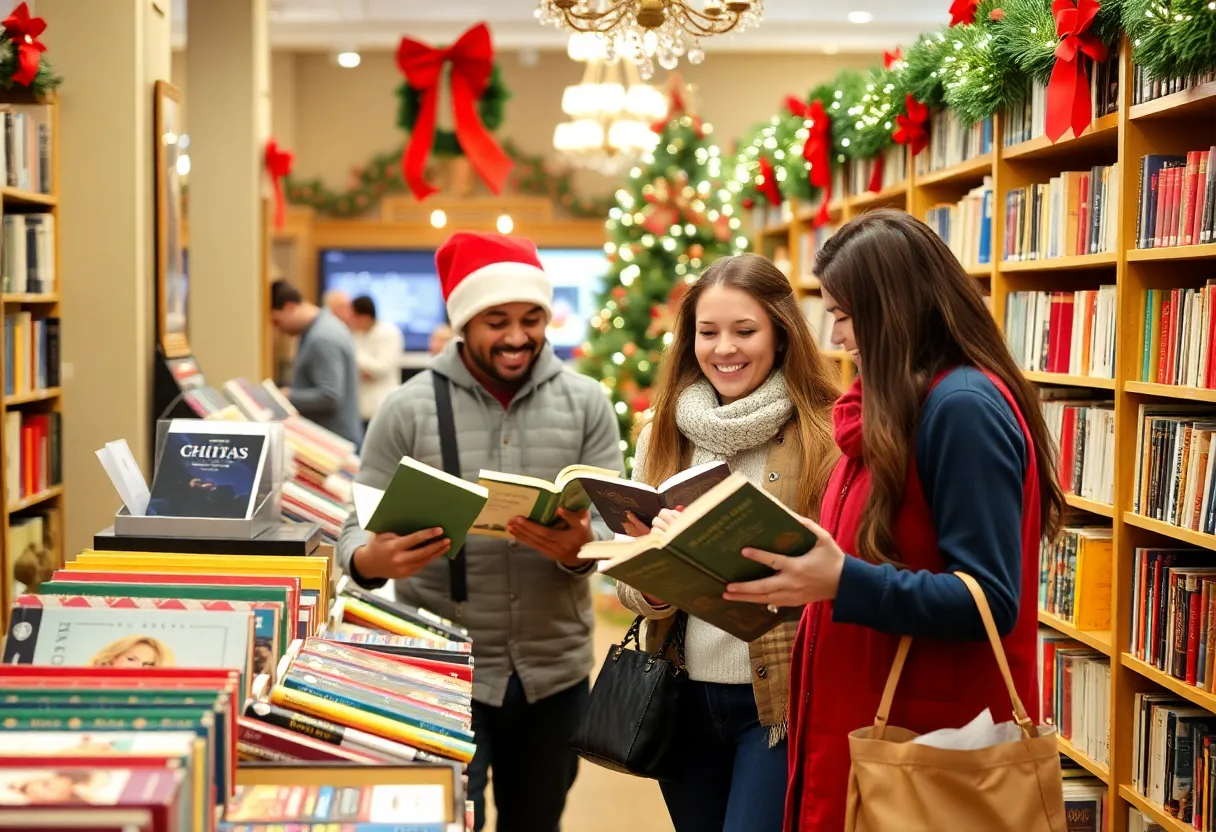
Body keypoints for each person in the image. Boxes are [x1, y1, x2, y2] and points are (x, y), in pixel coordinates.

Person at [719, 210, 1065, 832]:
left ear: (894, 311)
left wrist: (841, 582)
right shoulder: (888, 405)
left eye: (846, 317)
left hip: (925, 746)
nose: (837, 336)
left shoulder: (961, 409)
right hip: (868, 723)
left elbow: (988, 598)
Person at [336, 230, 624, 832]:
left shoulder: (588, 402)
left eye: (531, 318)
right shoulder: (407, 408)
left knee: (537, 820)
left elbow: (610, 524)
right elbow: (352, 532)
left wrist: (583, 549)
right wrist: (371, 560)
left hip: (555, 670)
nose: (517, 337)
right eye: (497, 320)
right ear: (465, 321)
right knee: (446, 821)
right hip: (440, 663)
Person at [615, 253, 840, 832]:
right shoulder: (661, 432)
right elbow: (630, 586)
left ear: (782, 334)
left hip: (778, 703)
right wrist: (654, 580)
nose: (724, 349)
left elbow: (842, 568)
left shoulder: (823, 431)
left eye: (745, 331)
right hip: (681, 695)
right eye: (707, 332)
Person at [270, 280, 364, 448]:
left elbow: (330, 396)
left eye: (277, 322)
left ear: (289, 307)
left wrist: (287, 396)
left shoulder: (322, 337)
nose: (279, 329)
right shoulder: (319, 329)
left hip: (335, 442)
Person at [348, 295, 405, 431]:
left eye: (354, 317)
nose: (351, 321)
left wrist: (356, 358)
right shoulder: (356, 335)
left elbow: (381, 369)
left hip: (381, 406)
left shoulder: (389, 333)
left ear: (364, 317)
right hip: (360, 408)